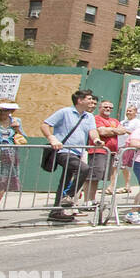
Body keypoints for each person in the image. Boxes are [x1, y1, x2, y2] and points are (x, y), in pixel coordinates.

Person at [41, 89, 102, 223]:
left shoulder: (89, 116)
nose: (92, 102)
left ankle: (56, 211)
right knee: (84, 168)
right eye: (89, 99)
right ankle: (68, 196)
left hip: (78, 152)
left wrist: (97, 140)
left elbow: (93, 132)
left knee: (65, 180)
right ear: (80, 100)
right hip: (63, 151)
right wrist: (52, 138)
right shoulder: (64, 112)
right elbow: (45, 125)